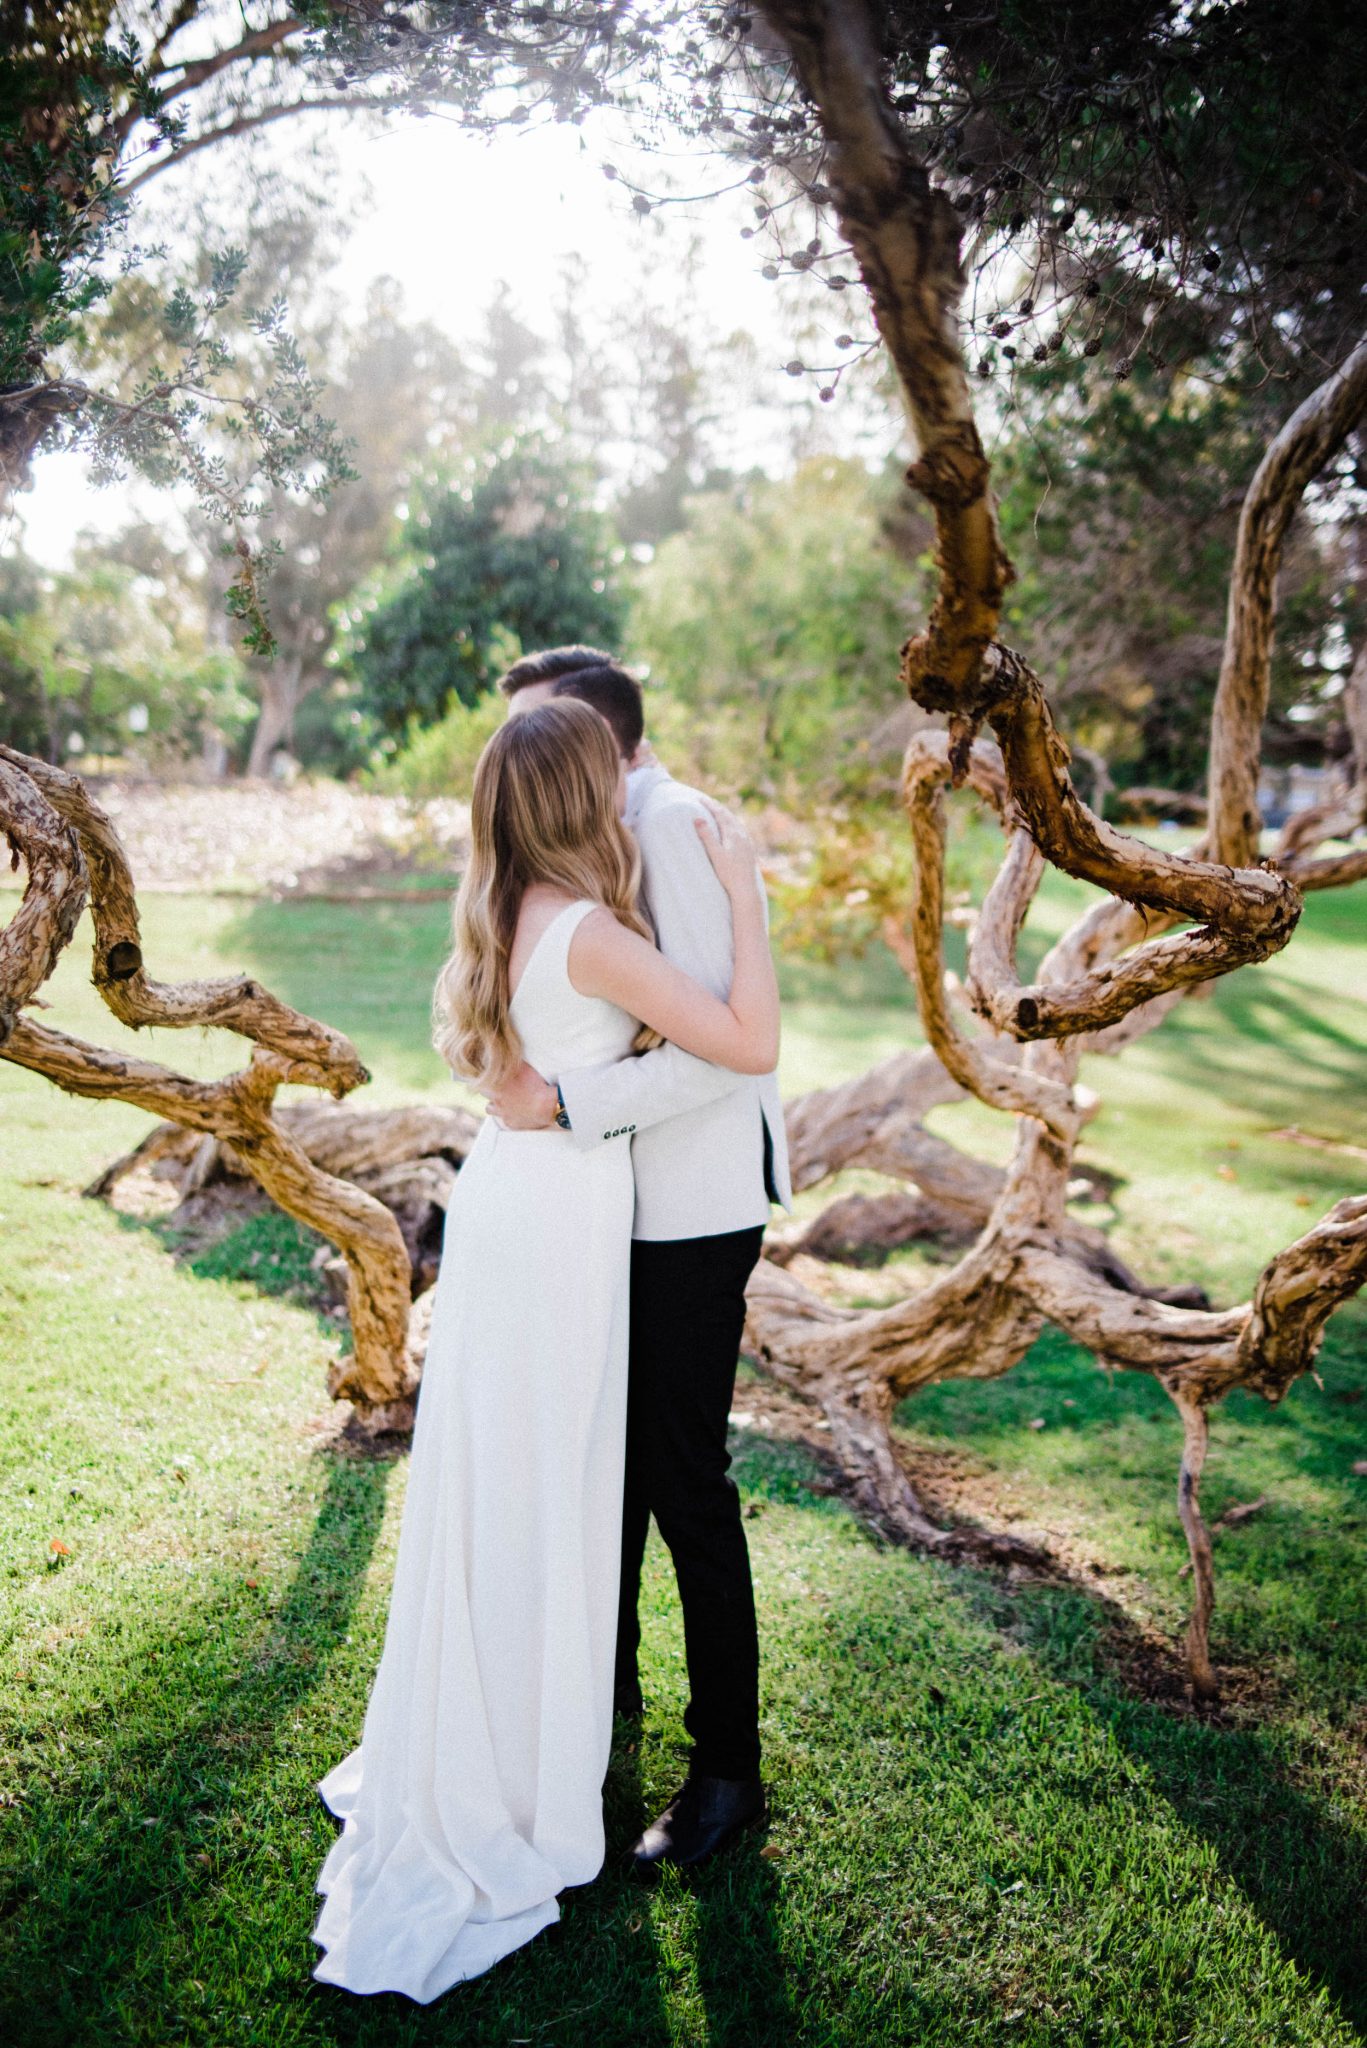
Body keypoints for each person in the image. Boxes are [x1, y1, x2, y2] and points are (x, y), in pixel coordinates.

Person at [310, 697, 778, 2001]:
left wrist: (569, 1093)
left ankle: (529, 1728)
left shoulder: (503, 913)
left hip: (521, 1206)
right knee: (553, 1482)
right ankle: (531, 1752)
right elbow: (747, 1042)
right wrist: (745, 899)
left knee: (519, 1483)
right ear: (586, 795)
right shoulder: (591, 933)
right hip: (561, 1218)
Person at [490, 647, 792, 1871]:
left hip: (688, 1206)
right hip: (617, 1205)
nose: (524, 770)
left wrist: (566, 1102)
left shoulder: (669, 826)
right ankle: (590, 1723)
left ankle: (726, 1768)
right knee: (606, 1471)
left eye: (545, 738)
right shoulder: (597, 839)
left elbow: (728, 1048)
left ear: (608, 745)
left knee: (679, 1479)